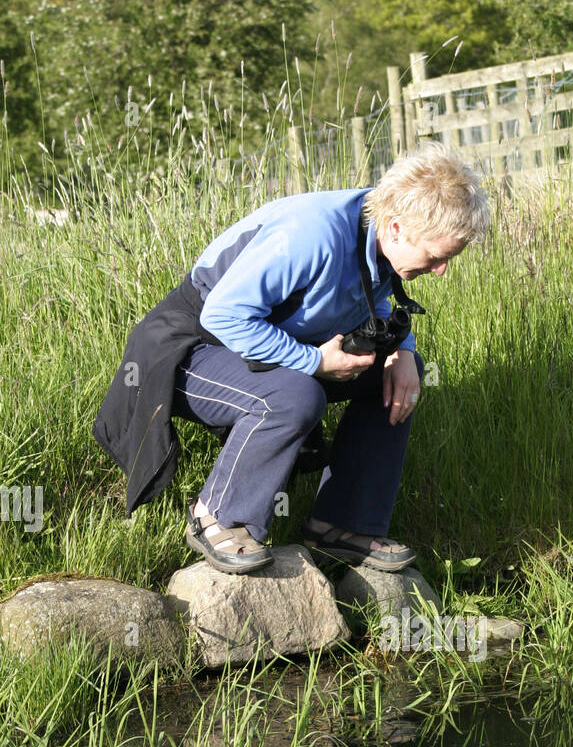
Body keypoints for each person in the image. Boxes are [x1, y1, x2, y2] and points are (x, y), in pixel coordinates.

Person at [93, 142, 489, 575]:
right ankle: (217, 516)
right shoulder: (311, 234)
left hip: (253, 344)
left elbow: (373, 297)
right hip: (189, 349)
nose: (441, 271)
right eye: (436, 257)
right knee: (294, 395)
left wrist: (403, 353)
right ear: (396, 228)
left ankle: (340, 526)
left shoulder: (377, 232)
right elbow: (223, 316)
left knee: (389, 380)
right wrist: (313, 362)